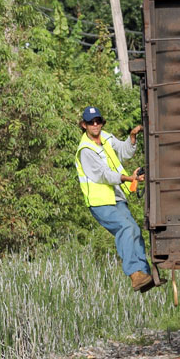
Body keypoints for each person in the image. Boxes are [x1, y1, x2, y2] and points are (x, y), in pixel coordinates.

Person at [74, 106, 152, 291]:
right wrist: (129, 178)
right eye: (91, 122)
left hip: (116, 197)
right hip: (100, 202)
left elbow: (124, 151)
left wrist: (132, 137)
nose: (95, 125)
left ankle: (145, 274)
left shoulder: (107, 138)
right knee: (124, 227)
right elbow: (104, 175)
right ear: (84, 125)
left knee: (134, 228)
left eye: (98, 121)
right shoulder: (85, 150)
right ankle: (134, 274)